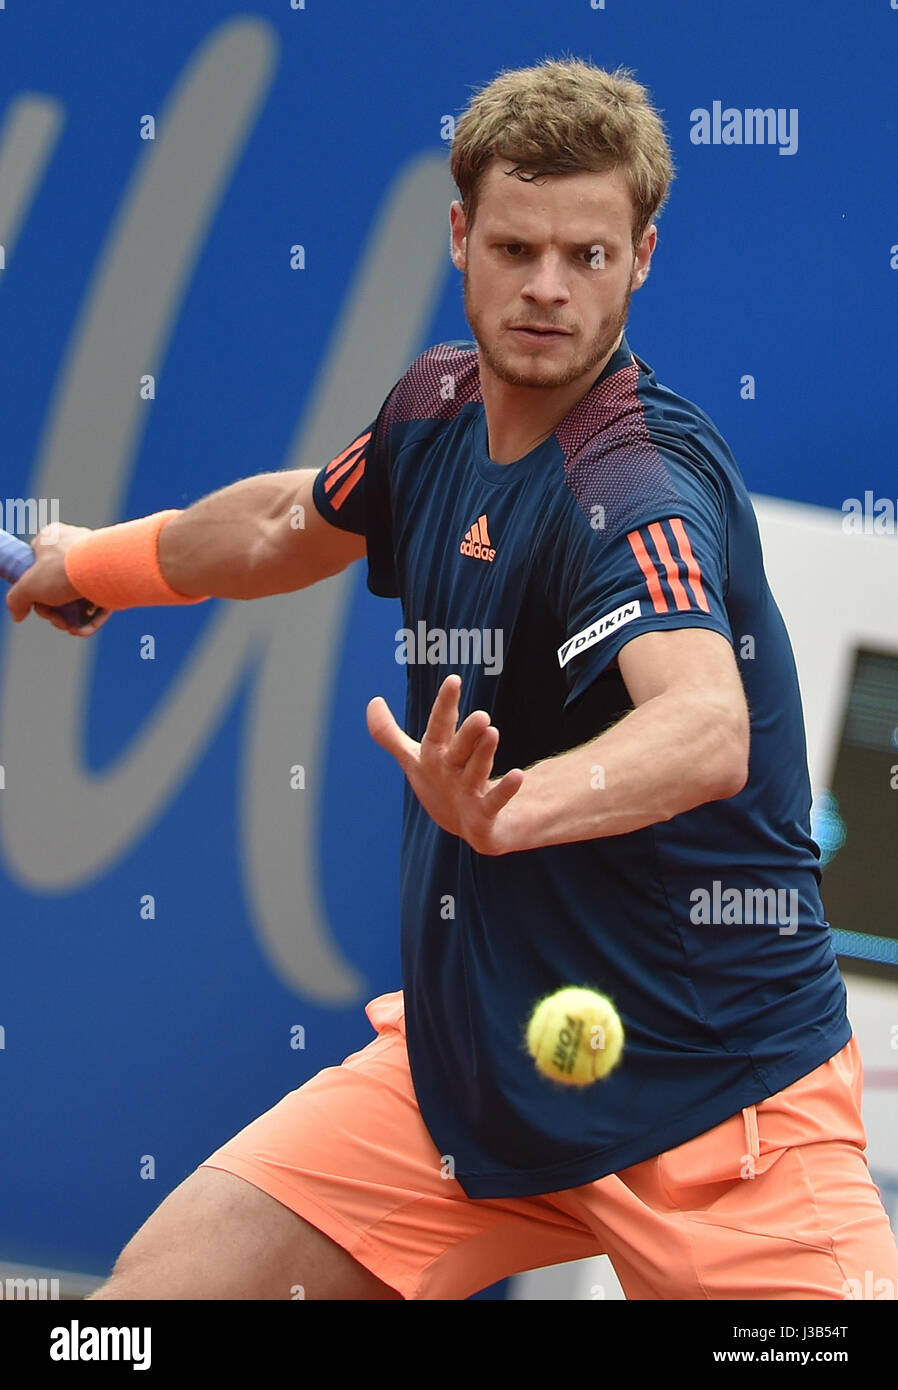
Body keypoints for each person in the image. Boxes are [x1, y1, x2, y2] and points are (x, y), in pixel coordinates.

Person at [9, 57, 897, 1301]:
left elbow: (702, 724)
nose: (546, 287)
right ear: (458, 235)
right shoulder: (431, 407)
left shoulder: (632, 484)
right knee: (147, 1312)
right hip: (472, 1073)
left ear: (641, 255)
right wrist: (90, 562)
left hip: (721, 1105)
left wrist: (519, 805)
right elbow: (279, 527)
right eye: (515, 246)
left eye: (587, 256)